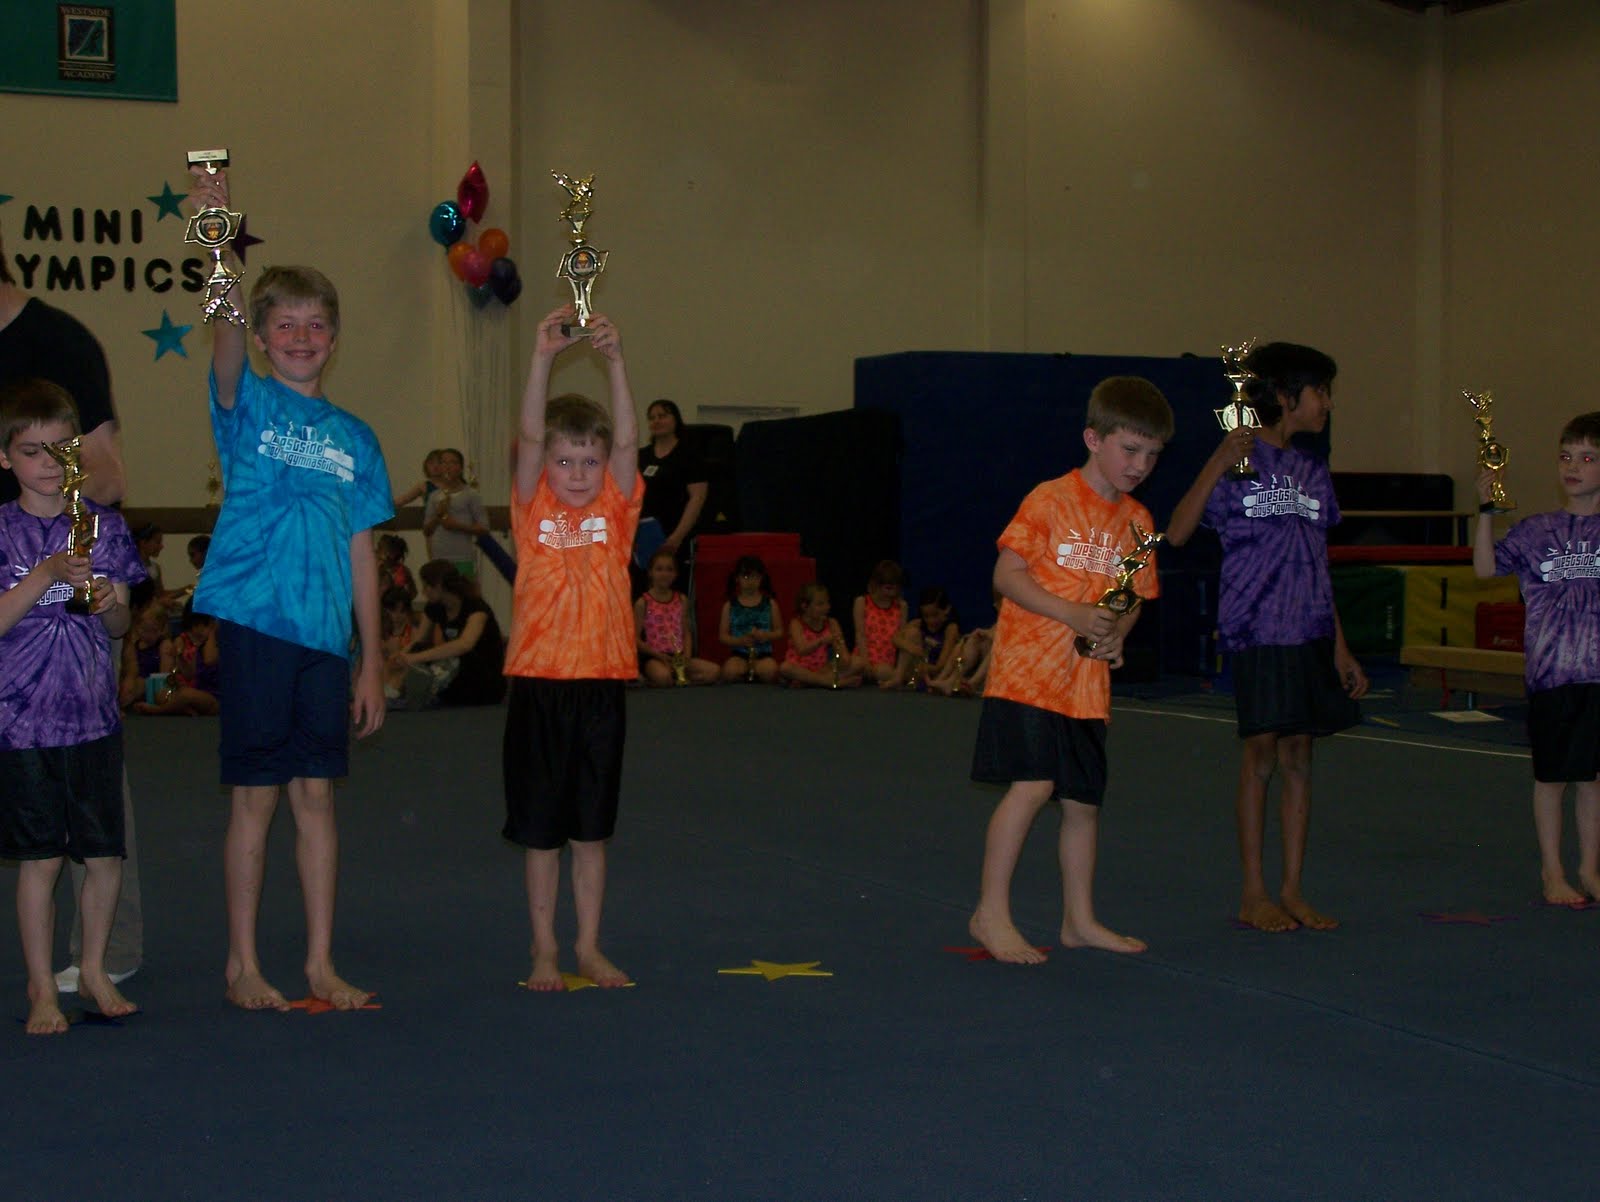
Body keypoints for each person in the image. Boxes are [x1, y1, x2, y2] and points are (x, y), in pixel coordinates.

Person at [186, 166, 392, 1011]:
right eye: (286, 325)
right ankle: (242, 964)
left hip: (324, 639)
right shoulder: (247, 406)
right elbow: (222, 338)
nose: (302, 336)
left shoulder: (356, 439)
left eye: (316, 324)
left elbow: (362, 555)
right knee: (257, 799)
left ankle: (317, 962)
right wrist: (218, 249)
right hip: (256, 625)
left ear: (334, 338)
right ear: (266, 338)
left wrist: (370, 659)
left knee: (317, 798)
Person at [969, 376, 1173, 964]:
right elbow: (1006, 576)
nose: (1140, 465)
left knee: (1084, 802)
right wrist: (1074, 614)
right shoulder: (1050, 499)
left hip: (1085, 687)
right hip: (1029, 673)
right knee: (1031, 786)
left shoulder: (1139, 523)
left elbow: (1130, 598)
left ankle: (1078, 920)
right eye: (1129, 449)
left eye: (1152, 455)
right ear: (1093, 437)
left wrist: (1117, 638)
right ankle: (990, 912)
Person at [1165, 342, 1368, 933]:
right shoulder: (1238, 466)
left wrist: (1341, 645)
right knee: (1260, 756)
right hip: (1258, 629)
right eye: (1320, 392)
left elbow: (1319, 561)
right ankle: (1254, 893)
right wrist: (1217, 460)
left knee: (1301, 756)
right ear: (1286, 397)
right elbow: (1177, 532)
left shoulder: (1313, 470)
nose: (1327, 403)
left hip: (1309, 630)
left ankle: (1293, 889)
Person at [0, 225, 143, 995]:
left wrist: (89, 562)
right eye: (29, 450)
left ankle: (101, 960)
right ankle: (34, 975)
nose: (44, 461)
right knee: (32, 842)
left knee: (94, 831)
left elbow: (108, 471)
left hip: (74, 655)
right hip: (12, 641)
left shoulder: (57, 339)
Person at [503, 303, 640, 991]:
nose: (580, 472)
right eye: (566, 460)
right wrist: (541, 359)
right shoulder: (533, 509)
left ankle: (587, 945)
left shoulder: (616, 513)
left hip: (600, 684)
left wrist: (616, 363)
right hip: (539, 682)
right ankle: (543, 950)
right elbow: (528, 436)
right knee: (541, 831)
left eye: (588, 460)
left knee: (592, 829)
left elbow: (625, 448)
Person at [1472, 411, 1600, 905]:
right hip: (1551, 672)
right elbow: (1485, 569)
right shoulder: (1537, 530)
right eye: (1567, 457)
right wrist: (1486, 510)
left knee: (1592, 776)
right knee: (1551, 777)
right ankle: (1553, 872)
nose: (1574, 467)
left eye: (1588, 458)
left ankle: (1590, 867)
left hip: (1595, 674)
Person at [392, 559, 506, 707]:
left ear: (439, 586)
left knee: (456, 656)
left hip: (484, 677)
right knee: (419, 649)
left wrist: (414, 658)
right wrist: (402, 655)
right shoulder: (435, 606)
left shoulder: (477, 608)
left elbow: (465, 644)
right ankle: (397, 692)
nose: (423, 591)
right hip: (458, 670)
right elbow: (419, 640)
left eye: (427, 586)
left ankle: (429, 691)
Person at [637, 399, 708, 585]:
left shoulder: (690, 455)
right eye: (652, 418)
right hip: (644, 537)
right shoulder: (641, 456)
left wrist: (676, 538)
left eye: (662, 416)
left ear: (675, 419)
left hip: (675, 537)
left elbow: (697, 497)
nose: (656, 421)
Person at [635, 546, 718, 686]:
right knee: (663, 677)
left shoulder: (681, 600)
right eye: (659, 569)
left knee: (713, 671)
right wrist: (658, 656)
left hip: (678, 656)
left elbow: (686, 632)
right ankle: (660, 676)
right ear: (650, 573)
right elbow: (635, 639)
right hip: (655, 657)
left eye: (669, 569)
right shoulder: (643, 602)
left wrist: (686, 657)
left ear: (675, 574)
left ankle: (678, 675)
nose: (664, 574)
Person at [132, 603, 221, 717]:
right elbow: (190, 674)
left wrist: (212, 633)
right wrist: (179, 657)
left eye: (204, 626)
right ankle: (183, 709)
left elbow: (209, 660)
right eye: (195, 626)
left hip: (216, 699)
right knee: (161, 695)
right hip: (199, 693)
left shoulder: (219, 645)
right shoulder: (199, 647)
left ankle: (159, 711)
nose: (198, 630)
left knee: (186, 694)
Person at [779, 582, 862, 688]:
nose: (826, 607)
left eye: (827, 603)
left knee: (858, 662)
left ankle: (810, 680)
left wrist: (838, 647)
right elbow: (801, 650)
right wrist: (821, 641)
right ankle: (830, 682)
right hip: (800, 666)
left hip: (823, 668)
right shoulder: (796, 623)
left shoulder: (832, 623)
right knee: (785, 668)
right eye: (820, 604)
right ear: (805, 606)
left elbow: (845, 657)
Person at [422, 448, 489, 578]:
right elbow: (426, 530)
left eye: (452, 463)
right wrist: (438, 516)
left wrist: (457, 526)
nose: (447, 467)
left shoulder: (471, 495)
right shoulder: (434, 496)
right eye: (443, 463)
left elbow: (484, 527)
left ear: (460, 468)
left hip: (463, 558)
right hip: (439, 559)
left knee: (464, 596)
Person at [719, 554, 783, 683]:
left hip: (763, 655)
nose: (751, 582)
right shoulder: (730, 605)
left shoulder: (770, 604)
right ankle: (747, 674)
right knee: (729, 671)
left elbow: (780, 631)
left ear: (761, 578)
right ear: (737, 578)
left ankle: (755, 674)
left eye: (755, 577)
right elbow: (723, 636)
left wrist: (766, 635)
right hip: (739, 654)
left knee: (771, 671)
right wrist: (740, 641)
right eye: (746, 577)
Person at [887, 585, 959, 690]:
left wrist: (928, 668)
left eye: (935, 615)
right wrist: (911, 648)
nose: (930, 620)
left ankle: (934, 685)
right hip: (917, 671)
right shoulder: (918, 623)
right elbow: (895, 638)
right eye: (926, 616)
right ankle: (898, 678)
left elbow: (941, 664)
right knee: (911, 633)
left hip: (937, 674)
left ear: (946, 609)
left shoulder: (951, 628)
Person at [852, 560, 908, 685]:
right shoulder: (862, 602)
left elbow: (901, 636)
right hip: (863, 655)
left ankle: (891, 677)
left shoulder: (901, 606)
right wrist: (865, 661)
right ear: (876, 584)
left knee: (884, 671)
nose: (890, 592)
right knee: (855, 664)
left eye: (894, 587)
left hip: (885, 661)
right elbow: (860, 634)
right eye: (887, 587)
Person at [376, 532, 417, 601]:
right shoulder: (377, 567)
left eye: (380, 549)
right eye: (378, 548)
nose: (376, 551)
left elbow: (413, 593)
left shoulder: (403, 571)